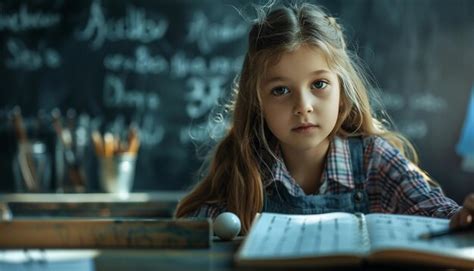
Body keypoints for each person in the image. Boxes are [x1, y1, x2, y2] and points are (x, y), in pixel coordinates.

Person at [175, 2, 474, 234]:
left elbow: (438, 213)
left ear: (341, 91)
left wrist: (465, 217)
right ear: (257, 102)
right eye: (280, 90)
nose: (303, 106)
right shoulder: (244, 170)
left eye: (319, 85)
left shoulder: (374, 159)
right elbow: (190, 237)